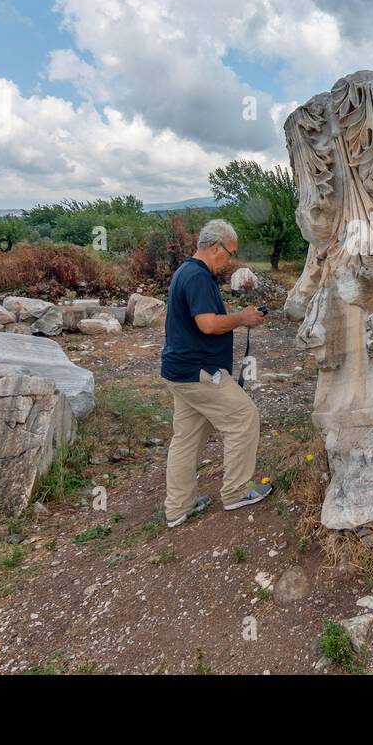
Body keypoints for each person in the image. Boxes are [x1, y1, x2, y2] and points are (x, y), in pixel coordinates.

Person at [161, 218, 270, 527]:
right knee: (244, 417)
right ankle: (236, 492)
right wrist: (242, 318)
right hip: (199, 372)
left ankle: (178, 508)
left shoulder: (187, 272)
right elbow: (207, 324)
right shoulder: (196, 276)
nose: (230, 260)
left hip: (179, 371)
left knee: (188, 438)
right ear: (214, 247)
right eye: (229, 252)